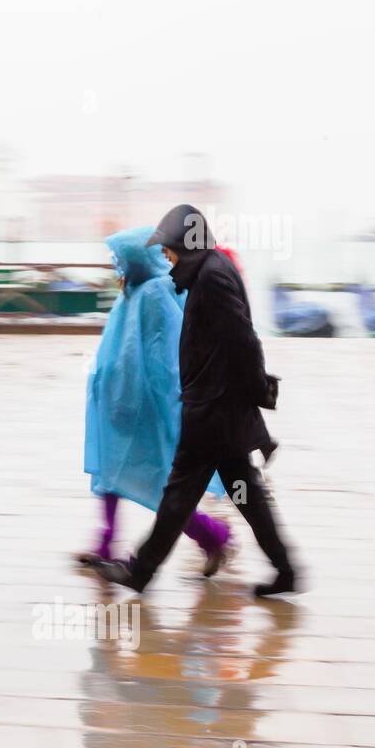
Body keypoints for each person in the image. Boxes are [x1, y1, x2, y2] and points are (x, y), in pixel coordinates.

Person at [93, 205, 298, 598]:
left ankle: (140, 571)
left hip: (213, 409)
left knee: (180, 495)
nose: (166, 256)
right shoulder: (212, 268)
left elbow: (244, 339)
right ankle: (286, 569)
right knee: (246, 494)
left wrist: (256, 390)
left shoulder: (211, 278)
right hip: (218, 408)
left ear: (185, 244)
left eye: (168, 248)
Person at [78, 225, 231, 574]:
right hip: (118, 403)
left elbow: (162, 356)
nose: (117, 265)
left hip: (144, 406)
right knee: (109, 474)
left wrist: (172, 405)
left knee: (160, 485)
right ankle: (105, 543)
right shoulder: (130, 291)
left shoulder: (156, 292)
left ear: (136, 257)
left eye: (121, 258)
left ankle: (214, 535)